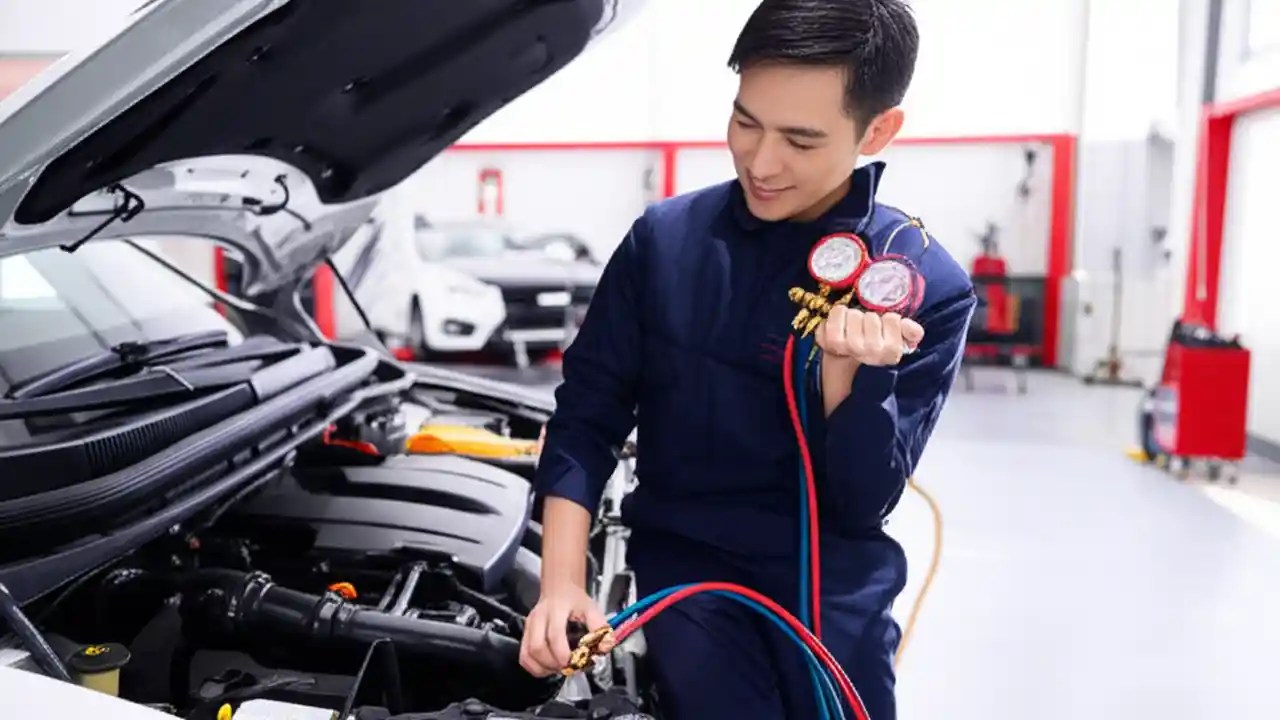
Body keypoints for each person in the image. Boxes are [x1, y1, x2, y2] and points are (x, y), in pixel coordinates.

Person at [519, 1, 976, 718]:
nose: (761, 163)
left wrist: (851, 378)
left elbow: (863, 502)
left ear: (879, 130)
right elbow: (585, 417)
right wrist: (561, 582)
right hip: (688, 572)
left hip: (836, 589)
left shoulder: (923, 285)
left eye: (800, 139)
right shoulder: (665, 244)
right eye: (745, 122)